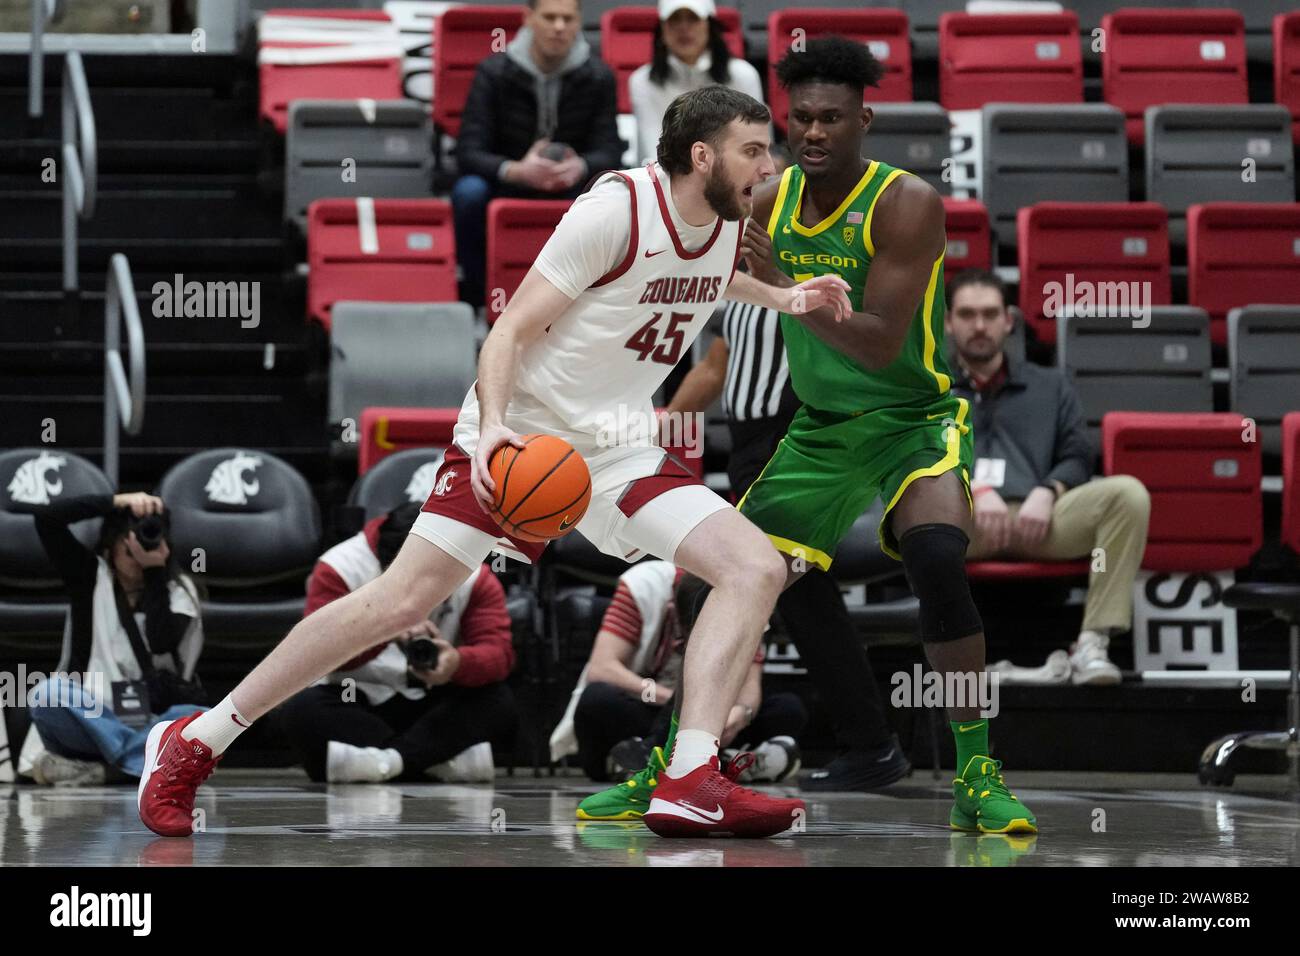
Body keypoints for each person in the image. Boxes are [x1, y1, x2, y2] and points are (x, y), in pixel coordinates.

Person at [137, 85, 853, 840]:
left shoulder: (726, 223)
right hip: (526, 436)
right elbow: (507, 330)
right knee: (401, 602)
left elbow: (705, 280)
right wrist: (494, 433)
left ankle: (689, 778)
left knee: (754, 567)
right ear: (702, 155)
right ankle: (195, 740)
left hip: (618, 444)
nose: (769, 166)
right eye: (753, 150)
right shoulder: (615, 211)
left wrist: (787, 298)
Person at [734, 37, 1038, 834]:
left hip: (913, 418)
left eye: (832, 118)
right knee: (727, 581)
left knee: (938, 558)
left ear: (864, 119)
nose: (814, 132)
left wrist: (785, 288)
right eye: (800, 117)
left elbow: (874, 339)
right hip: (822, 426)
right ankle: (680, 767)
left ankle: (976, 773)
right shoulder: (767, 200)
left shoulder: (906, 203)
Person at [654, 298, 913, 790]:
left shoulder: (799, 263)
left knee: (720, 591)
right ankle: (870, 745)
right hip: (752, 448)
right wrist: (657, 429)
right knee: (801, 603)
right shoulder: (743, 278)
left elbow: (852, 356)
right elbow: (716, 367)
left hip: (790, 441)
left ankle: (672, 752)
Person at [946, 269, 1151, 685]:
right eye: (967, 314)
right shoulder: (929, 387)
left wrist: (1049, 489)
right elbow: (915, 455)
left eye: (989, 314)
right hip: (963, 525)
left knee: (1127, 494)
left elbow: (1078, 454)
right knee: (910, 511)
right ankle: (942, 651)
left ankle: (1092, 644)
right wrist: (976, 488)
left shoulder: (1050, 385)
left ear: (1009, 320)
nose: (979, 326)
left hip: (1040, 521)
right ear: (948, 322)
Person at [277, 502, 518, 783]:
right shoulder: (340, 568)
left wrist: (457, 663)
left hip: (435, 704)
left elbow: (500, 655)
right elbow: (313, 656)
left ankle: (384, 763)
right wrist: (382, 630)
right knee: (301, 710)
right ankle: (432, 761)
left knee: (498, 701)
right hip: (358, 697)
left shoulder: (472, 574)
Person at [553, 565, 806, 795]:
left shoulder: (743, 602)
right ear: (677, 615)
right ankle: (727, 764)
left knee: (787, 708)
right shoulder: (643, 586)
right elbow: (601, 668)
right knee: (597, 700)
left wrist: (739, 715)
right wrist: (682, 706)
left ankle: (655, 764)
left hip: (716, 721)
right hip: (653, 707)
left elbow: (750, 690)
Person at [12, 491, 205, 785]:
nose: (138, 560)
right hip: (90, 718)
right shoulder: (89, 577)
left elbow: (161, 641)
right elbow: (48, 518)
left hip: (153, 719)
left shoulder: (180, 590)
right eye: (130, 551)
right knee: (46, 694)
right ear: (111, 545)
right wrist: (116, 501)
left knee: (201, 718)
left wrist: (154, 574)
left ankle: (106, 770)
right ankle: (135, 766)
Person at [452, 0, 624, 306]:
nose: (559, 27)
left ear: (578, 22)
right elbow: (468, 151)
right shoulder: (493, 72)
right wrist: (516, 170)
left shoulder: (599, 75)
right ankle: (477, 300)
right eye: (550, 17)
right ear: (529, 18)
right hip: (508, 179)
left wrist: (580, 166)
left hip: (571, 184)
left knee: (619, 198)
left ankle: (593, 304)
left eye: (567, 18)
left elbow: (609, 151)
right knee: (468, 193)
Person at [628, 0, 764, 166]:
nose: (683, 28)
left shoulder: (743, 75)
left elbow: (754, 147)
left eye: (693, 18)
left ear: (709, 25)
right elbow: (654, 152)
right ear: (662, 29)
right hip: (665, 180)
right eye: (675, 19)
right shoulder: (643, 81)